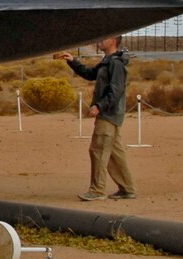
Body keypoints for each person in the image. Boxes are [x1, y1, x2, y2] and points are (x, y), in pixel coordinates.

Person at [55, 36, 136, 201]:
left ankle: (97, 190)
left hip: (108, 115)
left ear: (113, 41)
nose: (99, 41)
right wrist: (73, 61)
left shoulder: (116, 63)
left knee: (98, 150)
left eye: (104, 38)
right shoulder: (108, 60)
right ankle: (127, 189)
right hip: (110, 114)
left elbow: (117, 90)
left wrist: (100, 106)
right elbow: (91, 74)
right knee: (114, 153)